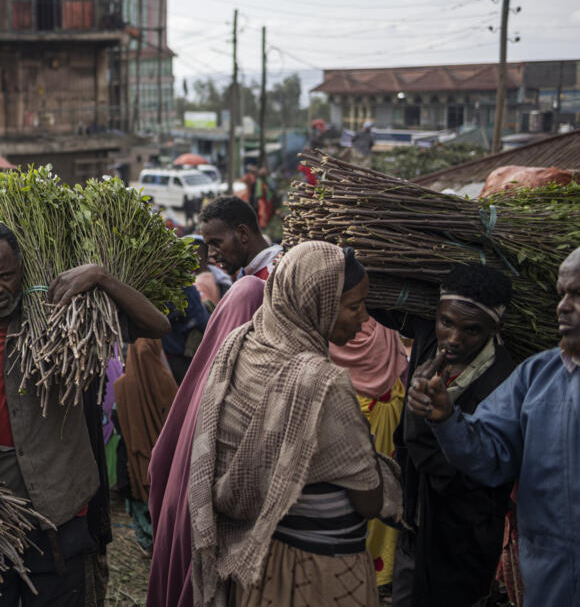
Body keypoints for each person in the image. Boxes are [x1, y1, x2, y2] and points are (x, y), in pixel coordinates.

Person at [0, 221, 170, 606]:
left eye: (5, 276)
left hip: (60, 514)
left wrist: (102, 277)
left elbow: (157, 325)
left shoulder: (61, 322)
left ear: (22, 268)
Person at [189, 242, 403, 606]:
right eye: (354, 306)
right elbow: (368, 499)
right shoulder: (320, 383)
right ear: (315, 303)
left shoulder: (241, 346)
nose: (364, 318)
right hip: (321, 572)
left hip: (256, 565)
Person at [408, 247, 580, 607]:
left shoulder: (503, 374)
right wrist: (445, 419)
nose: (564, 306)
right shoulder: (537, 376)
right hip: (551, 576)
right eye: (563, 294)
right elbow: (491, 454)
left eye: (578, 295)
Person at [372, 264, 516, 607]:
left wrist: (421, 419)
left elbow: (459, 472)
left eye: (471, 330)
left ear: (494, 329)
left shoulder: (503, 383)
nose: (453, 338)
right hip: (415, 522)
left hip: (464, 538)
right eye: (446, 322)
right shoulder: (428, 342)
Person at [147, 274, 267, 607]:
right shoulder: (245, 382)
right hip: (206, 519)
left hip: (179, 505)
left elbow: (161, 457)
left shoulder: (201, 374)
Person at [330, 319, 410, 589]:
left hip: (339, 419)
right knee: (378, 488)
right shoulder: (384, 329)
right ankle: (376, 571)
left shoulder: (323, 329)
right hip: (385, 413)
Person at [113, 338, 180, 553]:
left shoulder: (121, 386)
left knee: (142, 505)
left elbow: (117, 421)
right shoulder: (167, 380)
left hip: (135, 461)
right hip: (166, 465)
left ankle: (149, 544)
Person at [199, 196, 282, 282]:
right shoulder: (250, 273)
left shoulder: (278, 275)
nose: (210, 254)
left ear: (243, 234)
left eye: (215, 243)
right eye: (208, 245)